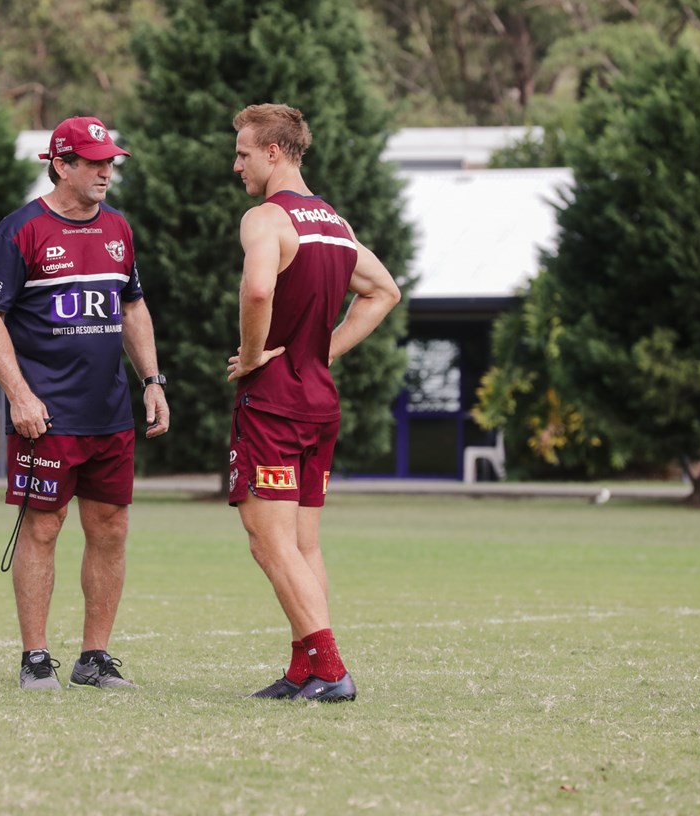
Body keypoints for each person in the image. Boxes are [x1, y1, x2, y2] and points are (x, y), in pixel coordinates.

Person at [0, 116, 170, 691]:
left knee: (110, 529)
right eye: (96, 161)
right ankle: (35, 657)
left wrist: (152, 380)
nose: (107, 171)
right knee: (44, 526)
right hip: (46, 416)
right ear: (62, 164)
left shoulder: (118, 230)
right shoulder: (20, 230)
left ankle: (94, 658)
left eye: (111, 162)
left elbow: (132, 308)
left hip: (110, 414)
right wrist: (20, 395)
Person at [225, 104, 401, 703]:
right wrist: (321, 351)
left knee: (267, 540)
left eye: (244, 152)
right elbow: (384, 292)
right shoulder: (333, 223)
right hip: (318, 401)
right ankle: (303, 671)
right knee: (303, 544)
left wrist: (251, 356)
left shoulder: (265, 220)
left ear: (274, 152)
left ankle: (330, 669)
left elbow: (257, 288)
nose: (238, 163)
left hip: (273, 403)